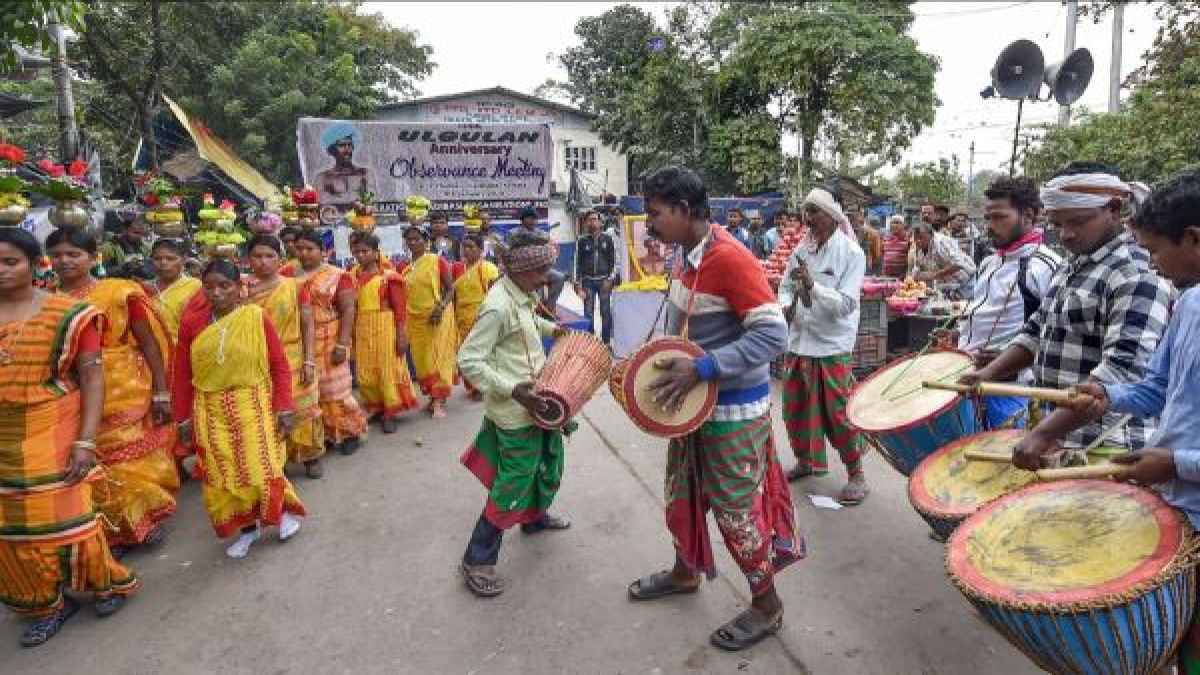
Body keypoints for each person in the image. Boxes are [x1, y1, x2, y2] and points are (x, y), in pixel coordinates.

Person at [627, 167, 800, 652]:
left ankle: (767, 604)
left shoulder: (731, 258)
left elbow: (773, 335)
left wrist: (701, 372)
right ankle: (686, 572)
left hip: (732, 411)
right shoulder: (687, 255)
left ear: (683, 211)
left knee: (735, 511)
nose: (651, 223)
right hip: (692, 407)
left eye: (656, 214)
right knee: (682, 493)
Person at [1056, 170, 1200, 674]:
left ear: (1193, 239)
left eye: (1156, 251)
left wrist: (1178, 463)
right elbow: (1157, 390)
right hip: (1178, 508)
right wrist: (1106, 393)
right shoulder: (1187, 305)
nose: (1154, 267)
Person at [962, 163, 1174, 466]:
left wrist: (1043, 434)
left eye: (1076, 222)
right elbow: (1037, 330)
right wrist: (989, 373)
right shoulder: (1072, 264)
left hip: (1107, 445)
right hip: (1058, 437)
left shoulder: (1136, 274)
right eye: (1057, 224)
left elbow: (1121, 372)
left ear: (1114, 210)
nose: (1065, 235)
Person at [0, 228, 136, 647]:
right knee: (11, 527)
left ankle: (102, 582)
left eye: (10, 262)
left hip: (54, 425)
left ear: (33, 265)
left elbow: (91, 377)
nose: (1, 271)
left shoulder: (69, 314)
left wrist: (85, 441)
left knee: (67, 517)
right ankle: (46, 603)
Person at [456, 229, 572, 598]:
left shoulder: (521, 295)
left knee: (548, 461)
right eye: (541, 271)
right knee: (513, 482)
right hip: (516, 410)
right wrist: (513, 390)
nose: (546, 279)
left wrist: (554, 328)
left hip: (538, 400)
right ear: (521, 271)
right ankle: (477, 559)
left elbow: (527, 323)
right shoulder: (497, 305)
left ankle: (534, 519)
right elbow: (468, 361)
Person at [47, 228, 178, 552]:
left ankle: (140, 521)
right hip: (75, 393)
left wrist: (162, 392)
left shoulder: (119, 293)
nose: (64, 261)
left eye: (73, 254)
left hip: (124, 387)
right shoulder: (47, 301)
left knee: (126, 459)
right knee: (92, 461)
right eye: (58, 255)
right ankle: (115, 527)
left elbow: (148, 343)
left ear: (94, 258)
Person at [173, 259, 306, 558]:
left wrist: (284, 406)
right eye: (209, 287)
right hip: (209, 408)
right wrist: (182, 417)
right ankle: (248, 529)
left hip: (252, 402)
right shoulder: (192, 324)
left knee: (261, 466)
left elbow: (279, 365)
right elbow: (181, 374)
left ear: (239, 288)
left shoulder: (256, 318)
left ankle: (280, 515)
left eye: (225, 286)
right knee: (222, 474)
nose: (217, 293)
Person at [778, 188, 870, 505]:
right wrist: (786, 305)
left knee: (839, 415)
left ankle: (856, 473)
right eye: (806, 211)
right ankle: (806, 461)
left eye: (814, 211)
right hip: (800, 340)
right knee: (794, 409)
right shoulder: (802, 248)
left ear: (832, 217)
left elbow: (846, 304)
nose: (808, 218)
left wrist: (813, 287)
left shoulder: (851, 254)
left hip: (832, 345)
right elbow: (786, 286)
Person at [950, 177, 1061, 430]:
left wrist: (1005, 360)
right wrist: (958, 333)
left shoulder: (1044, 266)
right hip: (973, 384)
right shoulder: (990, 262)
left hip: (1013, 391)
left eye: (999, 217)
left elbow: (1055, 337)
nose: (990, 226)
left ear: (1029, 216)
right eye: (988, 218)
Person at [245, 235, 326, 478]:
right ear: (248, 260)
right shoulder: (242, 289)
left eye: (269, 256)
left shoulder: (296, 286)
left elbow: (308, 325)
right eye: (257, 256)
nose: (263, 262)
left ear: (280, 259)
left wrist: (309, 360)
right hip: (258, 360)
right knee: (267, 411)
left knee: (303, 409)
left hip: (293, 356)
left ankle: (311, 457)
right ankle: (277, 459)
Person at [293, 229, 367, 454]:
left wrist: (342, 344)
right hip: (301, 341)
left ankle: (349, 432)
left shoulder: (337, 275)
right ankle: (323, 434)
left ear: (323, 252)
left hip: (330, 338)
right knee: (311, 390)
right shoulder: (288, 274)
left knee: (336, 389)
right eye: (300, 249)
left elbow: (348, 309)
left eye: (310, 249)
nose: (305, 253)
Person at [350, 231, 419, 431]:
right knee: (365, 371)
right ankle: (375, 406)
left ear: (376, 253)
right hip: (362, 327)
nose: (360, 255)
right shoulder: (352, 276)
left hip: (385, 327)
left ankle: (390, 410)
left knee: (387, 369)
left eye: (365, 251)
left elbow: (399, 309)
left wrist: (401, 334)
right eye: (357, 252)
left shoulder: (389, 277)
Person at [399, 226, 458, 418]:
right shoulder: (404, 266)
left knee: (436, 358)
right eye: (409, 240)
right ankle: (433, 396)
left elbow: (451, 290)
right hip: (414, 320)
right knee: (421, 360)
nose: (413, 243)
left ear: (426, 241)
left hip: (436, 315)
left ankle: (438, 400)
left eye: (417, 239)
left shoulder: (436, 261)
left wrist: (440, 308)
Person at [454, 233, 501, 401]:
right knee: (465, 354)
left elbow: (495, 294)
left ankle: (484, 386)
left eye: (471, 247)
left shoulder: (488, 268)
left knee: (483, 353)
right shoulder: (458, 268)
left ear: (481, 250)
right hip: (462, 318)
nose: (466, 250)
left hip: (481, 317)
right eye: (464, 247)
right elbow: (453, 294)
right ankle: (472, 386)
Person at [573, 210, 619, 343]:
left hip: (604, 281)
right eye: (589, 220)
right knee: (588, 313)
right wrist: (577, 284)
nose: (592, 221)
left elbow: (614, 261)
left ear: (600, 222)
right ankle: (591, 343)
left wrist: (610, 279)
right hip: (588, 282)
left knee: (605, 312)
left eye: (594, 219)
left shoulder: (608, 239)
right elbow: (577, 262)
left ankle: (605, 342)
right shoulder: (582, 241)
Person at [147, 238, 202, 342]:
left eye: (170, 259)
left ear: (183, 260)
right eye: (157, 259)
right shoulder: (144, 288)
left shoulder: (195, 287)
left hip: (182, 349)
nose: (163, 263)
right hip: (151, 351)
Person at [513, 206, 564, 312]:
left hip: (540, 269)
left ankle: (549, 309)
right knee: (536, 293)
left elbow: (548, 247)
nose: (533, 221)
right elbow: (513, 247)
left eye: (535, 218)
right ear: (523, 219)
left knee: (559, 277)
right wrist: (536, 237)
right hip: (521, 271)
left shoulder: (541, 233)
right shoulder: (514, 233)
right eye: (530, 218)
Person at [314, 122, 373, 209]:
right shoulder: (322, 177)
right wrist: (352, 201)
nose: (347, 149)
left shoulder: (365, 173)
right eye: (342, 145)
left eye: (349, 145)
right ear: (332, 149)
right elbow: (319, 200)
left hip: (362, 220)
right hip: (333, 220)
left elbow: (374, 198)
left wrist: (337, 197)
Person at [910, 221, 977, 297]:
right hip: (948, 285)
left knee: (963, 306)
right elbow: (917, 268)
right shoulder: (919, 249)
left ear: (931, 235)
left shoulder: (941, 242)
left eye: (921, 238)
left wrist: (936, 274)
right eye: (916, 238)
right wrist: (913, 278)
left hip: (965, 282)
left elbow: (959, 263)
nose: (918, 241)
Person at [99, 214, 153, 280]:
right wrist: (124, 268)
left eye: (142, 234)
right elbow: (99, 271)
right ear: (124, 230)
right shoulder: (108, 248)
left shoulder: (145, 248)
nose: (139, 237)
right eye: (135, 233)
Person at [849, 205, 883, 274]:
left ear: (860, 215)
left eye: (853, 212)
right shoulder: (841, 232)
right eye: (848, 213)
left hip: (864, 270)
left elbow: (877, 256)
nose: (850, 215)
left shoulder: (872, 233)